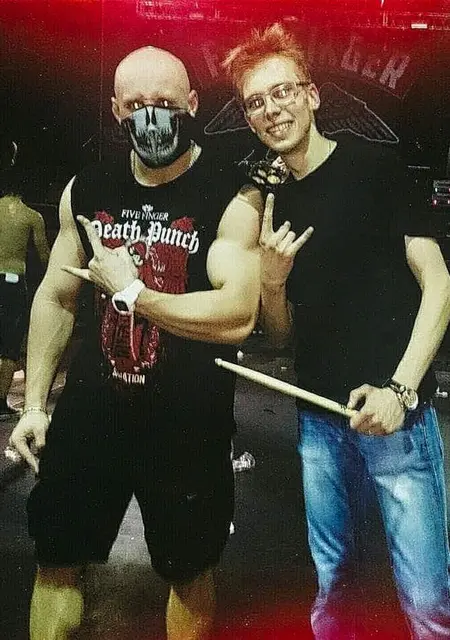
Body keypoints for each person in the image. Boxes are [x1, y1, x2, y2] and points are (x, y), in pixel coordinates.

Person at [8, 46, 261, 640]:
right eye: (138, 104)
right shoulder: (88, 188)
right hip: (94, 410)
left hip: (188, 419)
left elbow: (236, 315)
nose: (152, 116)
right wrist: (35, 404)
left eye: (166, 103)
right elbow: (56, 297)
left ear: (192, 104)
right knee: (56, 557)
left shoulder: (230, 194)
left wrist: (133, 293)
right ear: (117, 109)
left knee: (189, 570)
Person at [223, 23, 450, 640]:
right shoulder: (272, 201)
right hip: (319, 420)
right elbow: (281, 337)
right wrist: (272, 282)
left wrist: (400, 391)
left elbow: (438, 284)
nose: (272, 110)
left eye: (283, 92)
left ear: (312, 94)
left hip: (398, 418)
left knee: (427, 602)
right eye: (256, 102)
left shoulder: (376, 166)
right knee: (335, 587)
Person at [0, 140, 50, 419]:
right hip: (12, 282)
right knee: (9, 344)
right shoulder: (32, 217)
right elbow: (44, 256)